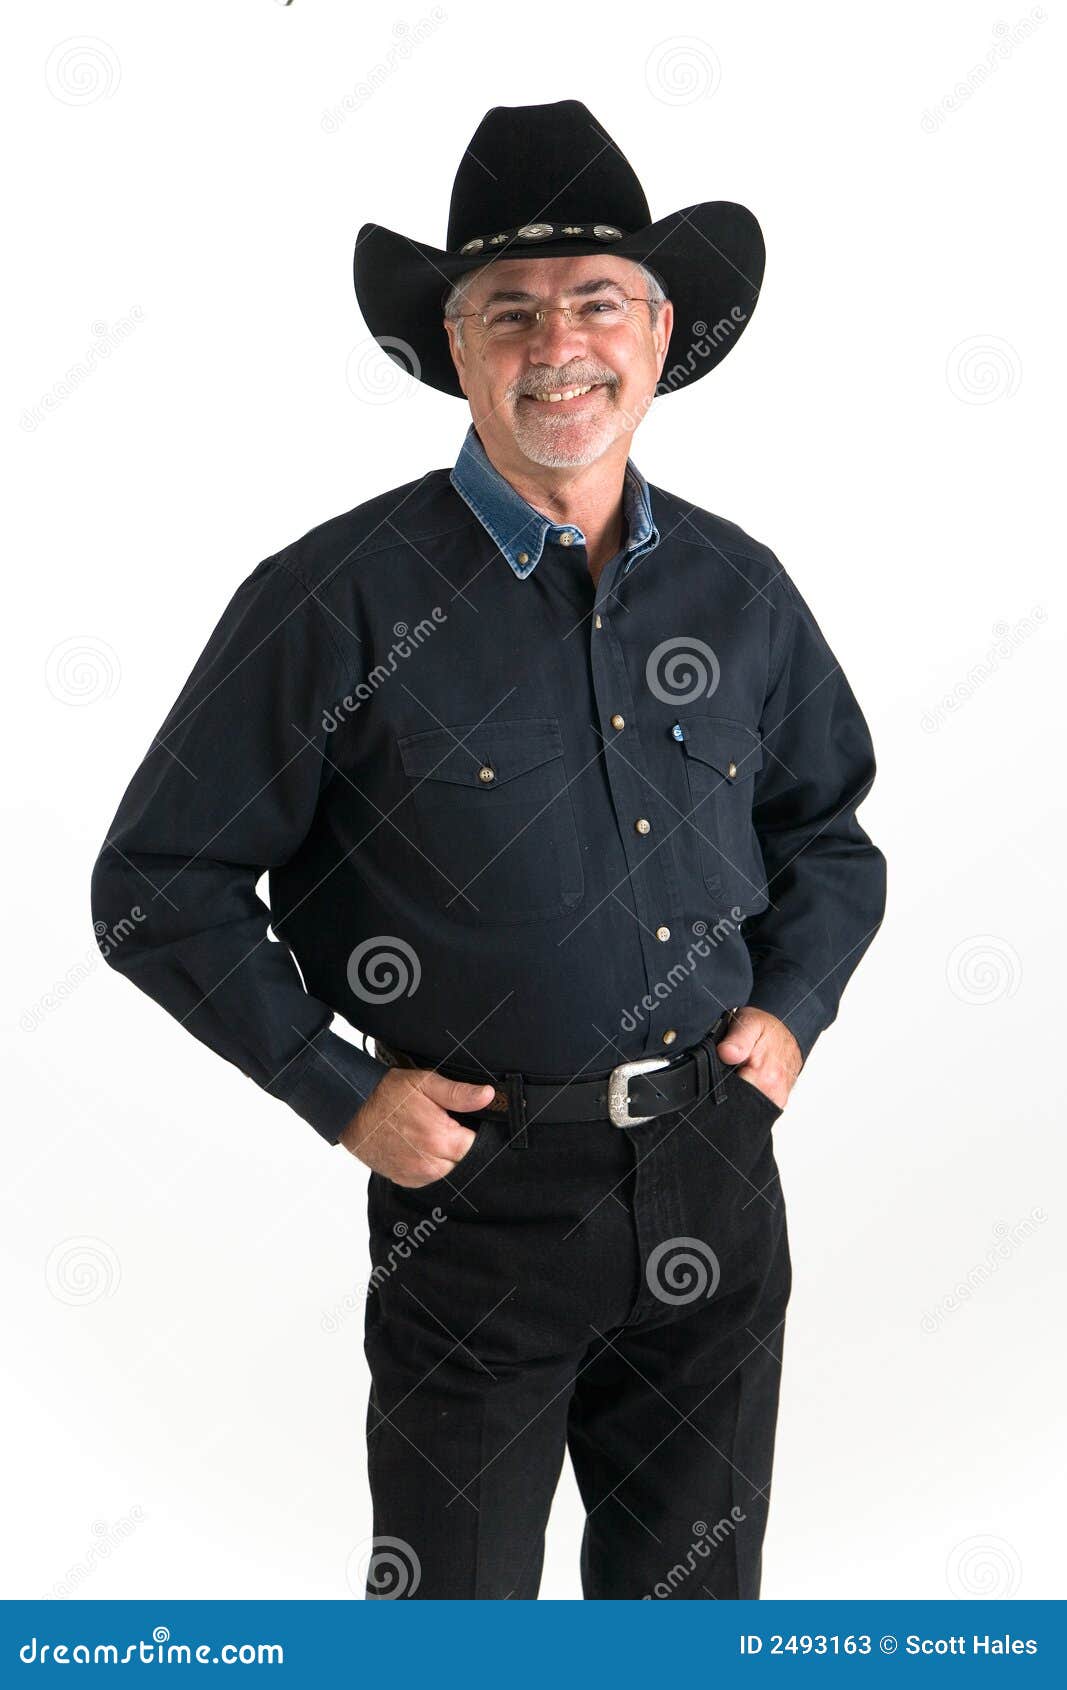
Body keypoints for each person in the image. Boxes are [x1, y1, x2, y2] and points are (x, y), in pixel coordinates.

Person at [90, 100, 886, 1599]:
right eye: (508, 312)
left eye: (597, 302)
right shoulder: (336, 595)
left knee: (692, 1622)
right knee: (451, 1624)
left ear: (661, 337)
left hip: (717, 1168)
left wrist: (790, 1016)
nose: (557, 345)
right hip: (476, 1186)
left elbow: (828, 833)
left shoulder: (739, 588)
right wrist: (341, 1094)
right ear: (454, 353)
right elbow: (156, 881)